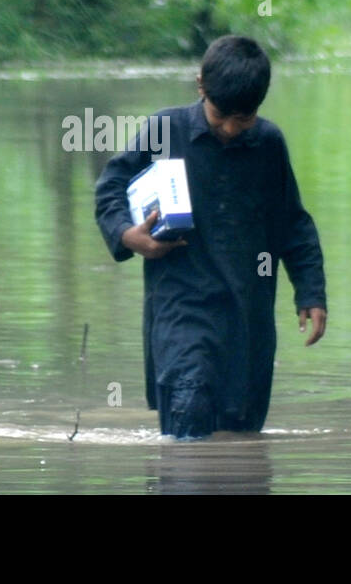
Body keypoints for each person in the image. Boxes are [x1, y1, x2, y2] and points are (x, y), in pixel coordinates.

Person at [94, 35, 327, 439]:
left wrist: (311, 292)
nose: (231, 128)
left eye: (245, 118)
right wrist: (129, 236)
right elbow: (110, 188)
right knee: (188, 428)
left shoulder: (268, 144)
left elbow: (293, 223)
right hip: (180, 311)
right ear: (200, 85)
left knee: (242, 435)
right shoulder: (165, 129)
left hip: (248, 321)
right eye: (222, 116)